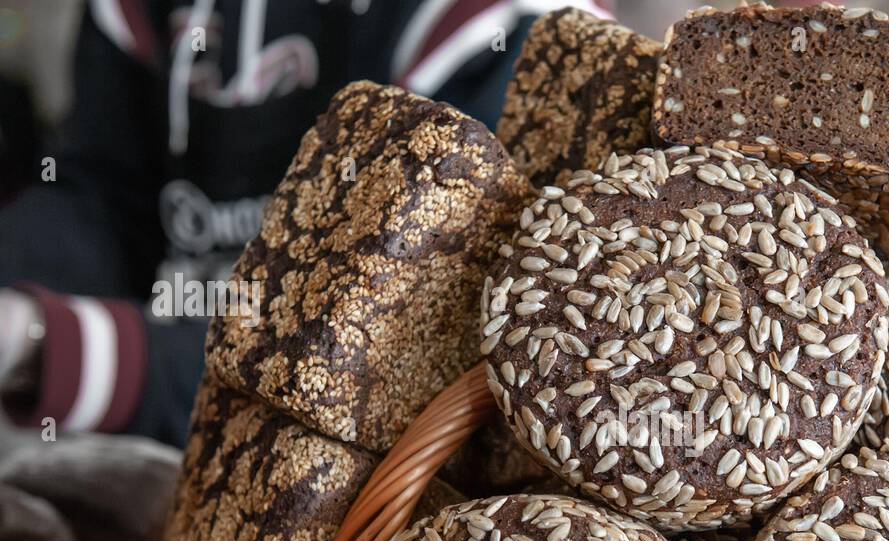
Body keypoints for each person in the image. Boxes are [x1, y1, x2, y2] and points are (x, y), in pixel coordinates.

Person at [0, 0, 606, 447]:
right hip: (154, 392)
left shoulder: (517, 23)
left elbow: (384, 353)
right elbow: (101, 196)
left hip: (357, 492)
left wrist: (51, 345)